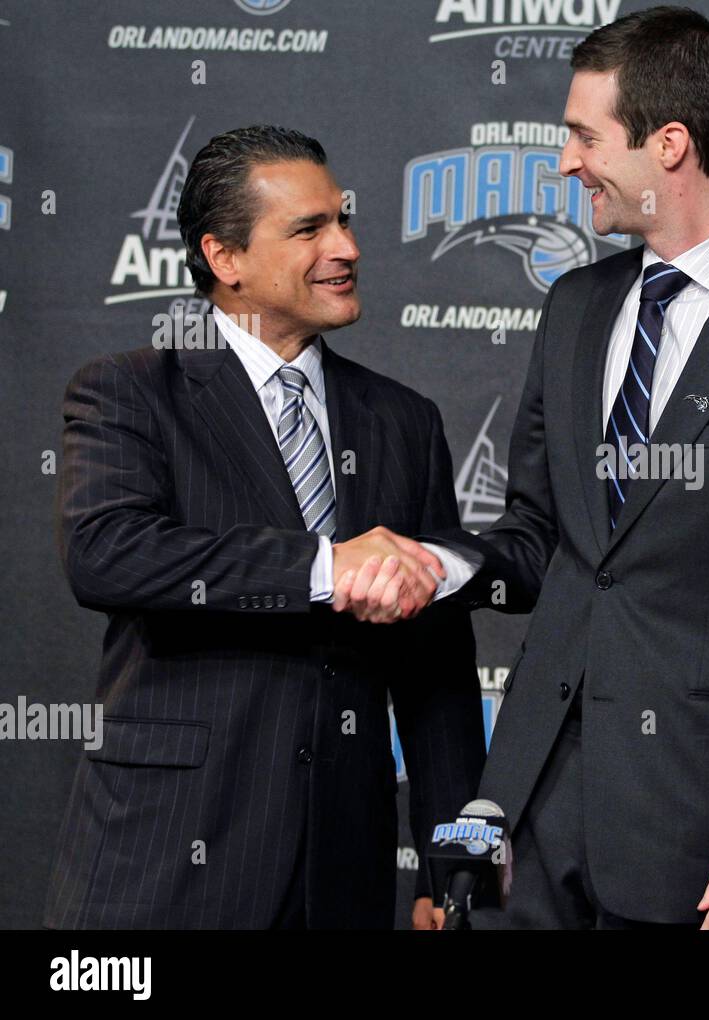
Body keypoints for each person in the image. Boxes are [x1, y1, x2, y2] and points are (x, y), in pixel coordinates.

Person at [417, 6, 709, 930]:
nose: (565, 162)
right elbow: (541, 537)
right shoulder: (574, 306)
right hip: (530, 821)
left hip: (708, 836)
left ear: (669, 143)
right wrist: (444, 564)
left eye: (583, 136)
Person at [45, 125, 484, 929]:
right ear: (226, 259)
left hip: (340, 875)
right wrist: (327, 566)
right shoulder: (129, 392)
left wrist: (452, 869)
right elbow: (107, 554)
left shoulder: (403, 421)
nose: (346, 247)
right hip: (166, 858)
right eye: (310, 229)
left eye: (344, 220)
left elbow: (437, 674)